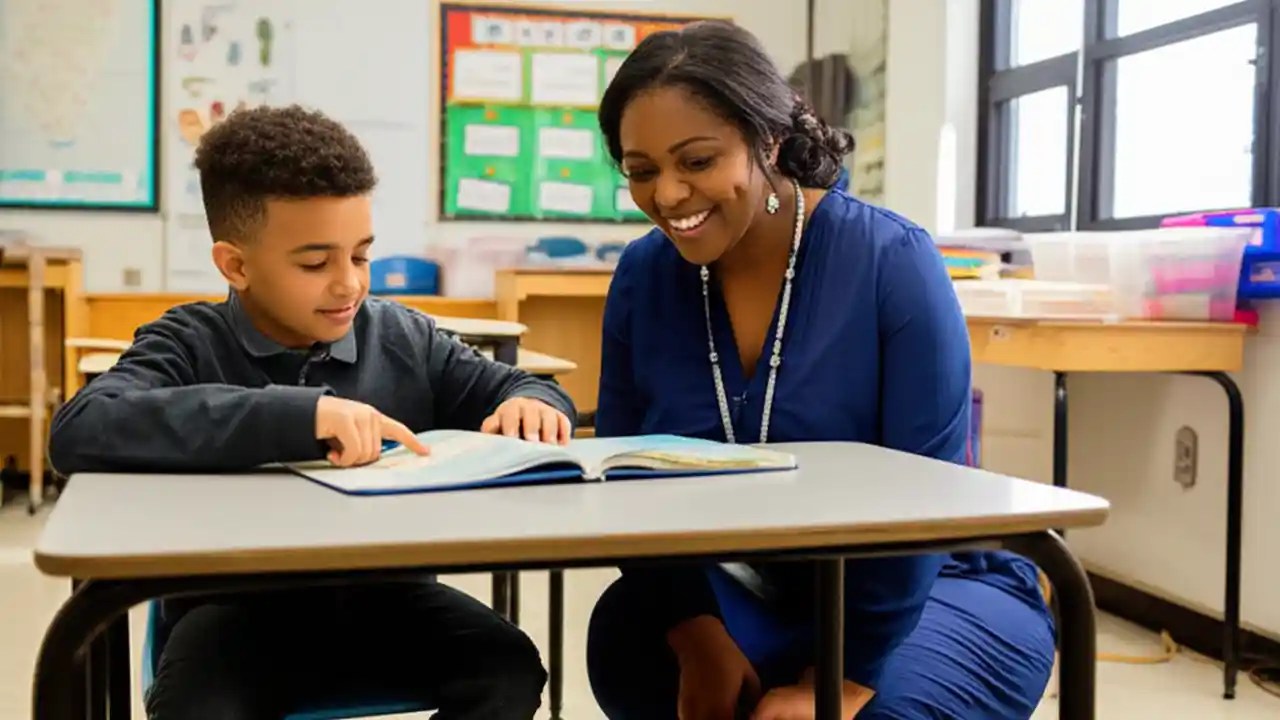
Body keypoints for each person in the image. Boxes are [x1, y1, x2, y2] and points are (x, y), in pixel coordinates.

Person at [585, 21, 1055, 720]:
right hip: (751, 586)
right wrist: (698, 635)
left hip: (926, 585)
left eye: (698, 160)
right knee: (627, 640)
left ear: (767, 141)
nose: (671, 195)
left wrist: (842, 679)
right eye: (642, 170)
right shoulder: (644, 277)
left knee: (874, 717)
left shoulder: (891, 263)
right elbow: (622, 473)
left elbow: (927, 501)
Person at [48, 105, 575, 720]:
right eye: (315, 262)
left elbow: (521, 386)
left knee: (507, 670)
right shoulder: (190, 341)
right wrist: (299, 418)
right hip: (234, 613)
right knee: (197, 708)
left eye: (361, 255)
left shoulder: (403, 337)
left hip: (389, 601)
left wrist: (533, 403)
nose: (349, 284)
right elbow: (82, 428)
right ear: (236, 265)